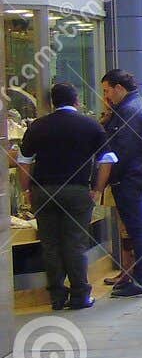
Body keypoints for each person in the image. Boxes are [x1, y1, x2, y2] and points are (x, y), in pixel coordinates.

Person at [15, 81, 111, 311]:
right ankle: (80, 295)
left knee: (50, 244)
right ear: (76, 100)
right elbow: (107, 160)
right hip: (77, 190)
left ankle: (57, 297)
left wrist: (27, 190)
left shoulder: (38, 126)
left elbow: (23, 162)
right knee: (75, 243)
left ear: (52, 103)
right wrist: (98, 188)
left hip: (44, 191)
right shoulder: (90, 126)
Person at [100, 69, 142, 298]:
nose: (106, 96)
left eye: (107, 91)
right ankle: (138, 277)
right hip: (138, 174)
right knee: (137, 228)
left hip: (131, 177)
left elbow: (121, 150)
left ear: (119, 88)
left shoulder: (129, 110)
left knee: (138, 229)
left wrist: (108, 177)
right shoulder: (136, 106)